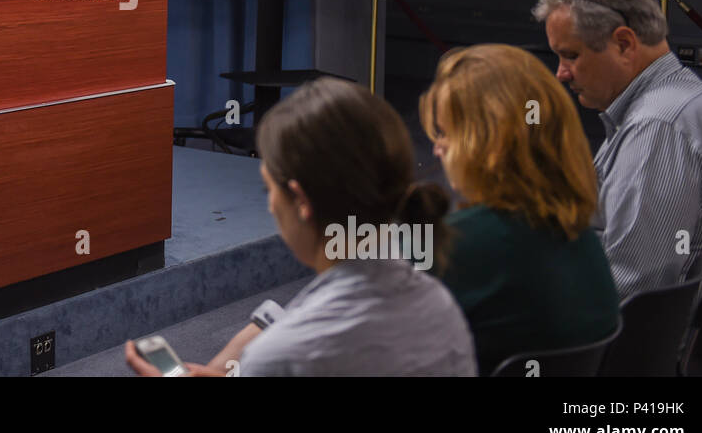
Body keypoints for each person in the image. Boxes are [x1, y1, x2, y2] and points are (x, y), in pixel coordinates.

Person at [124, 78, 476, 377]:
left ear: (301, 200)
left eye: (269, 189)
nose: (270, 205)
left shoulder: (283, 357)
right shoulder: (440, 304)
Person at [532, 0, 702, 302]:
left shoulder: (658, 128)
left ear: (624, 44)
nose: (560, 74)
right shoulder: (693, 102)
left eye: (570, 56)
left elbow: (632, 288)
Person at [420, 44, 621, 375]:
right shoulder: (579, 236)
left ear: (488, 144)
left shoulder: (454, 245)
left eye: (445, 133)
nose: (436, 148)